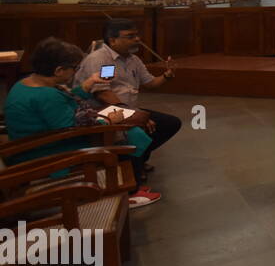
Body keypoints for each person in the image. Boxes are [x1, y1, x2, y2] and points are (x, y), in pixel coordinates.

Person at [4, 37, 161, 207]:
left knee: (128, 129)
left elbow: (67, 103)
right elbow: (70, 129)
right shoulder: (46, 96)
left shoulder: (29, 83)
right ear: (59, 70)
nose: (76, 72)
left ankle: (133, 184)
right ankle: (129, 192)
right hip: (47, 152)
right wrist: (109, 121)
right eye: (75, 68)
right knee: (130, 133)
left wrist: (88, 84)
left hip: (33, 144)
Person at [76, 19, 182, 178]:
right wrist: (133, 115)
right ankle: (130, 169)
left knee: (170, 123)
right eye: (130, 36)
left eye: (137, 35)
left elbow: (151, 83)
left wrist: (167, 75)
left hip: (125, 108)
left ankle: (137, 158)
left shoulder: (133, 59)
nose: (137, 39)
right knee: (137, 129)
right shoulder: (103, 59)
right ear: (112, 40)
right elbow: (103, 93)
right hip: (103, 111)